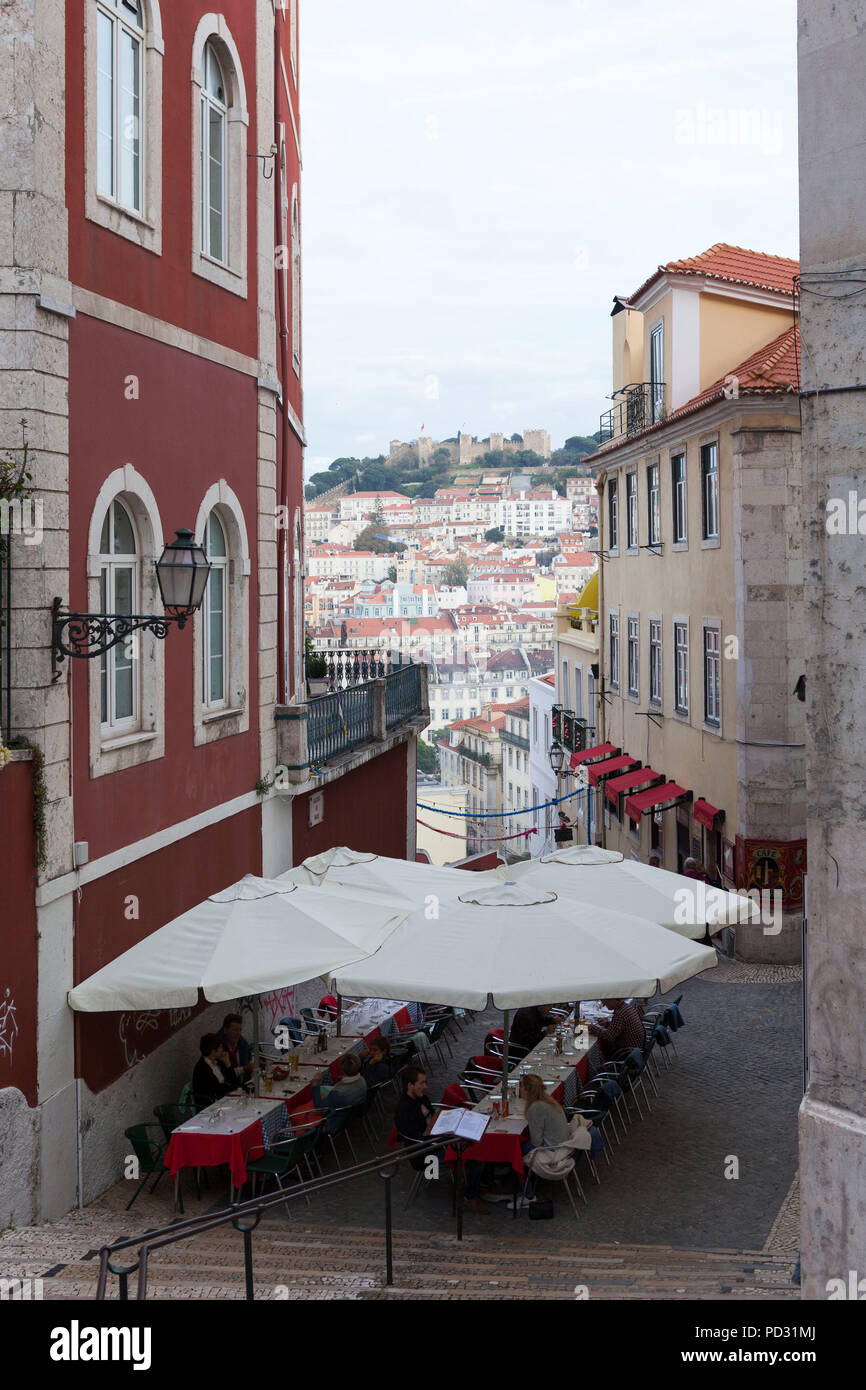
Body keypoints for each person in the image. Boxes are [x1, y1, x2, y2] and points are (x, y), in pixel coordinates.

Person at [394, 1067, 488, 1213]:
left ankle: (473, 1182)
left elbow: (433, 1119)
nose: (425, 1087)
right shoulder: (403, 1109)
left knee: (476, 1145)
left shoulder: (422, 1098)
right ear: (410, 1085)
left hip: (438, 1142)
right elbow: (414, 1137)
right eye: (421, 1083)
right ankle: (470, 1196)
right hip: (424, 1153)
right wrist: (442, 1136)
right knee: (475, 1155)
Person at [310, 1053, 367, 1133]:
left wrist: (315, 1085)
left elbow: (319, 1108)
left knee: (303, 1107)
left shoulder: (338, 1093)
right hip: (350, 1116)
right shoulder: (362, 1080)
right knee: (322, 1090)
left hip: (334, 1122)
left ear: (342, 1070)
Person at [192, 1033, 244, 1108]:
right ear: (213, 1051)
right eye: (220, 1047)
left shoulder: (218, 1062)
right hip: (210, 1106)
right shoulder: (202, 1068)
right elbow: (218, 1089)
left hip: (223, 1100)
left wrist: (228, 1063)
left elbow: (233, 1080)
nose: (222, 1049)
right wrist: (234, 1087)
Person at [218, 1013, 254, 1078]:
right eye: (235, 1030)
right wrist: (244, 1069)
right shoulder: (218, 1048)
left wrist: (255, 1064)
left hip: (244, 1084)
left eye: (240, 1030)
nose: (239, 1033)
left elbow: (250, 1059)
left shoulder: (242, 1042)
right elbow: (224, 1075)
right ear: (225, 1030)